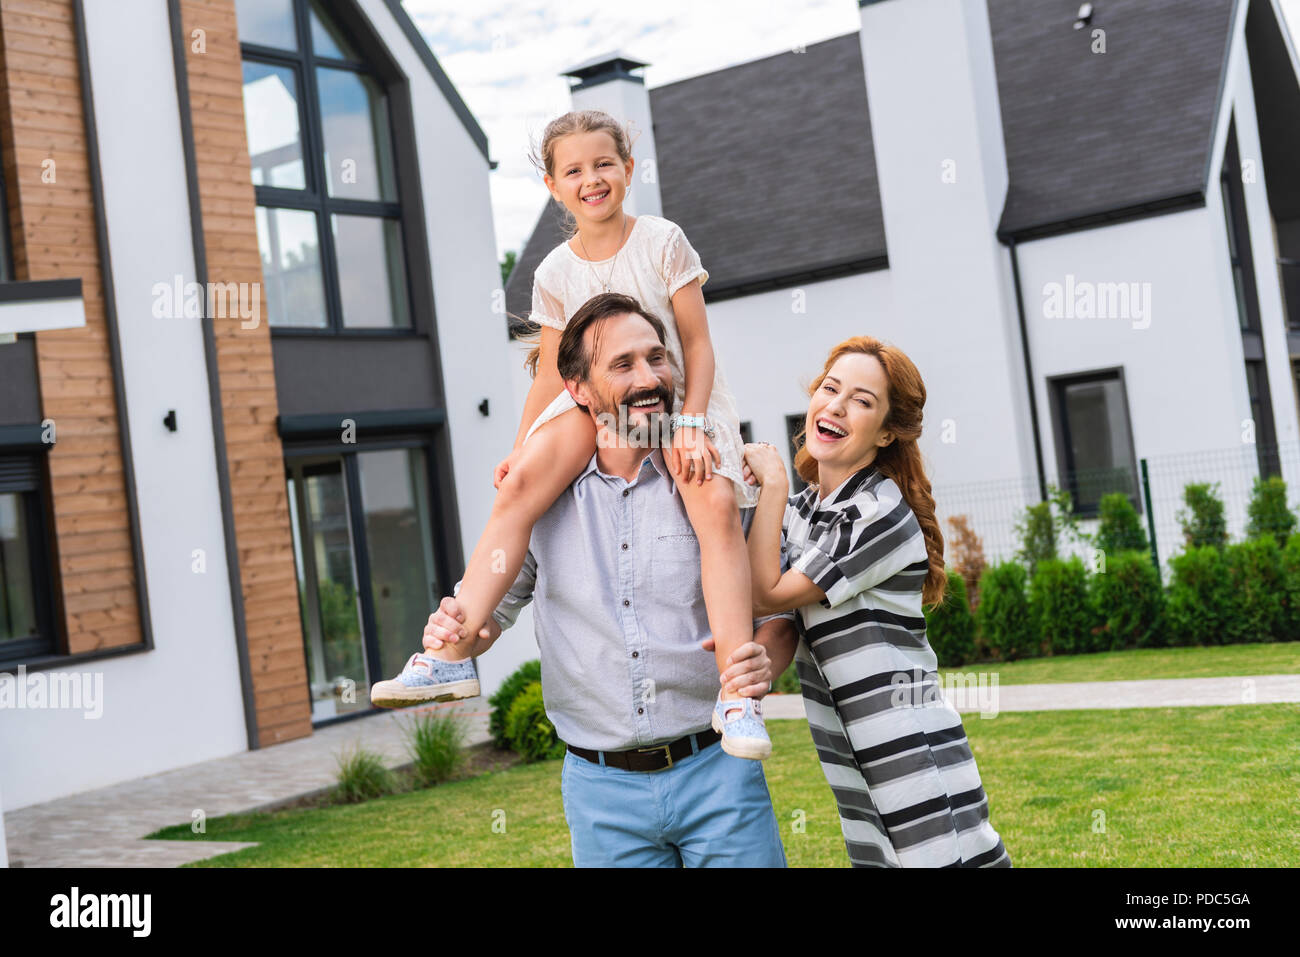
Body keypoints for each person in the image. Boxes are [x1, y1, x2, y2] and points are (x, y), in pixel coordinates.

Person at [372, 108, 769, 759]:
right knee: (523, 483)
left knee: (713, 498)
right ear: (555, 186)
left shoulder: (663, 241)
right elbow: (554, 376)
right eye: (574, 169)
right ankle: (447, 652)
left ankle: (735, 692)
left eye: (604, 164)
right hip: (593, 404)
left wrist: (693, 419)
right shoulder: (555, 271)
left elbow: (696, 345)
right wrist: (522, 443)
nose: (592, 178)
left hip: (672, 392)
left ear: (628, 170)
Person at [418, 293, 793, 866]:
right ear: (578, 390)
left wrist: (764, 658)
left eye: (657, 358)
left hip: (717, 768)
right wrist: (457, 631)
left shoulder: (715, 485)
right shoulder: (542, 503)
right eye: (623, 365)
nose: (650, 377)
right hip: (601, 793)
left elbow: (777, 615)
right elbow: (490, 617)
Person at [740, 336, 1012, 868]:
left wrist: (770, 483)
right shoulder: (801, 512)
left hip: (911, 753)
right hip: (850, 756)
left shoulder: (879, 513)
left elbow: (766, 591)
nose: (837, 405)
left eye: (862, 400)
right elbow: (758, 598)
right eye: (830, 387)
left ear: (888, 432)